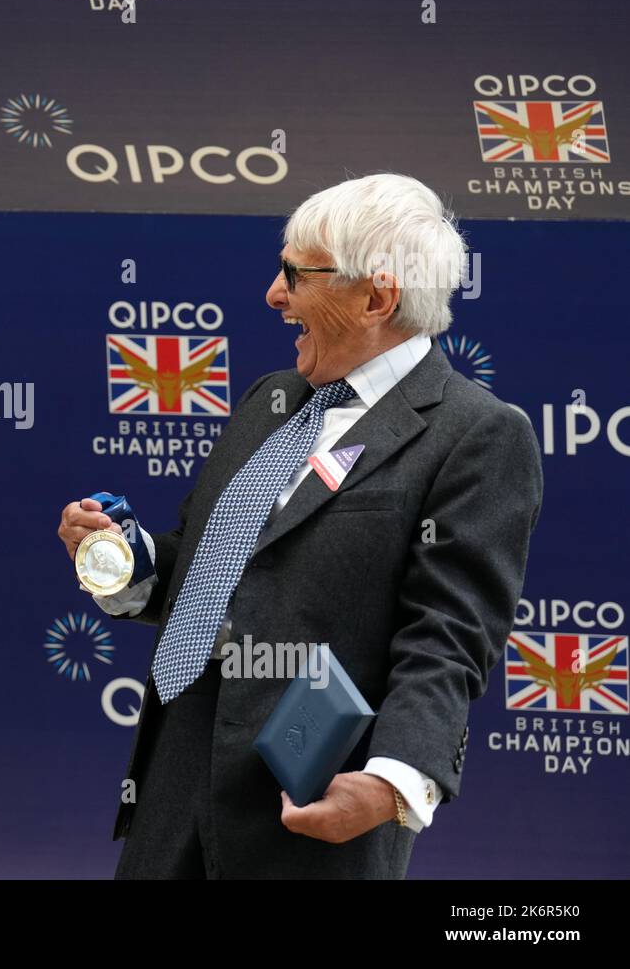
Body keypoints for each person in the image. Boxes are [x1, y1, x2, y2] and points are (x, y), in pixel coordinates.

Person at [57, 173, 543, 879]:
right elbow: (213, 574)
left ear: (377, 297)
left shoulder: (478, 435)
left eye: (296, 274)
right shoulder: (271, 400)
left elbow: (448, 640)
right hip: (170, 801)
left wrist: (393, 782)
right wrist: (125, 560)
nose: (274, 294)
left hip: (311, 819)